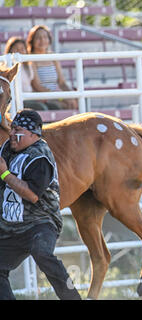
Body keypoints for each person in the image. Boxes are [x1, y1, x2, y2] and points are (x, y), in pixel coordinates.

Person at [0, 109, 81, 300]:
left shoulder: (40, 157)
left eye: (16, 130)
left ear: (32, 134)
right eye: (11, 129)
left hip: (41, 223)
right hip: (12, 227)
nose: (11, 133)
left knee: (42, 253)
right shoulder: (7, 149)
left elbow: (32, 195)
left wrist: (4, 174)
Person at [26, 25, 78, 110]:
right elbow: (37, 86)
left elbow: (62, 83)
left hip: (55, 96)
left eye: (45, 37)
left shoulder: (52, 57)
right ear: (32, 41)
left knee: (76, 102)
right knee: (60, 106)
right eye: (38, 38)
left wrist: (71, 96)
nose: (42, 40)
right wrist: (60, 97)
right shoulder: (31, 59)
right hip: (41, 98)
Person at [4, 37, 49, 111]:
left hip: (29, 98)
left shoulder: (28, 66)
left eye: (22, 49)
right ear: (10, 50)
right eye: (16, 49)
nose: (19, 52)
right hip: (17, 100)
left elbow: (34, 86)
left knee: (55, 106)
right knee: (42, 108)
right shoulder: (7, 68)